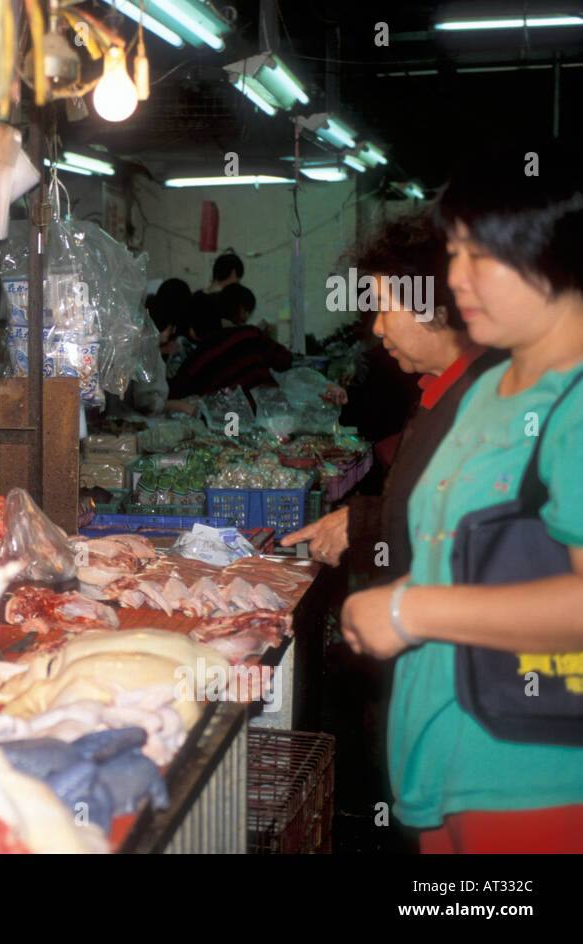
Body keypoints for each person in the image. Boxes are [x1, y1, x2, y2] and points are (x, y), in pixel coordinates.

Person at [340, 147, 583, 853]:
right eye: (455, 253)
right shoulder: (488, 390)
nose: (454, 278)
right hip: (442, 761)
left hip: (534, 779)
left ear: (553, 251)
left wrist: (409, 609)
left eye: (480, 256)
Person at [281, 213, 506, 572]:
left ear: (437, 307)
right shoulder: (439, 391)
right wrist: (363, 520)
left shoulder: (489, 404)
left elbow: (483, 541)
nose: (379, 328)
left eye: (385, 308)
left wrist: (368, 526)